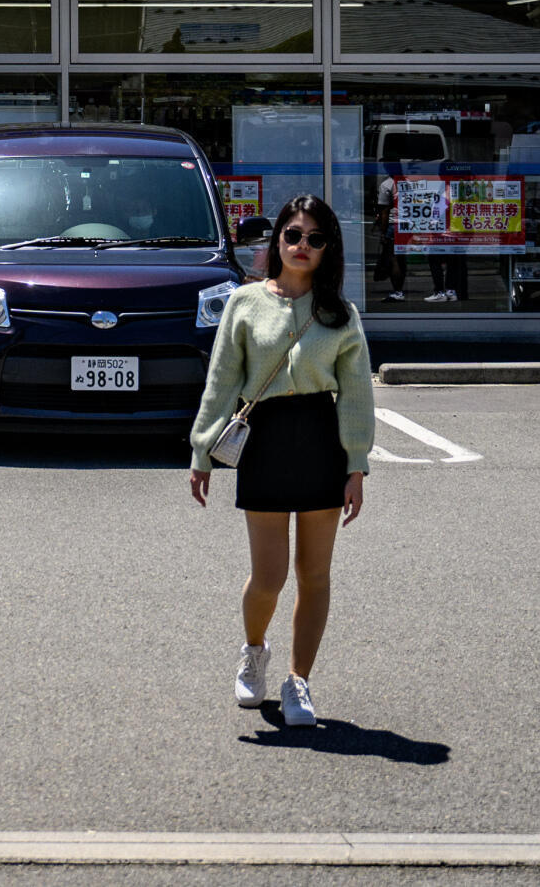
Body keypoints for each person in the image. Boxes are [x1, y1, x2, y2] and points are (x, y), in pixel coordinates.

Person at [189, 193, 374, 730]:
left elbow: (358, 395)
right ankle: (253, 652)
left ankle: (299, 681)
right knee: (267, 576)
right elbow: (222, 382)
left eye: (314, 239)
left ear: (327, 249)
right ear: (278, 240)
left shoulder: (341, 314)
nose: (301, 246)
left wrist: (356, 466)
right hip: (264, 440)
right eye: (292, 235)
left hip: (321, 440)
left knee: (315, 574)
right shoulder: (244, 303)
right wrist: (202, 451)